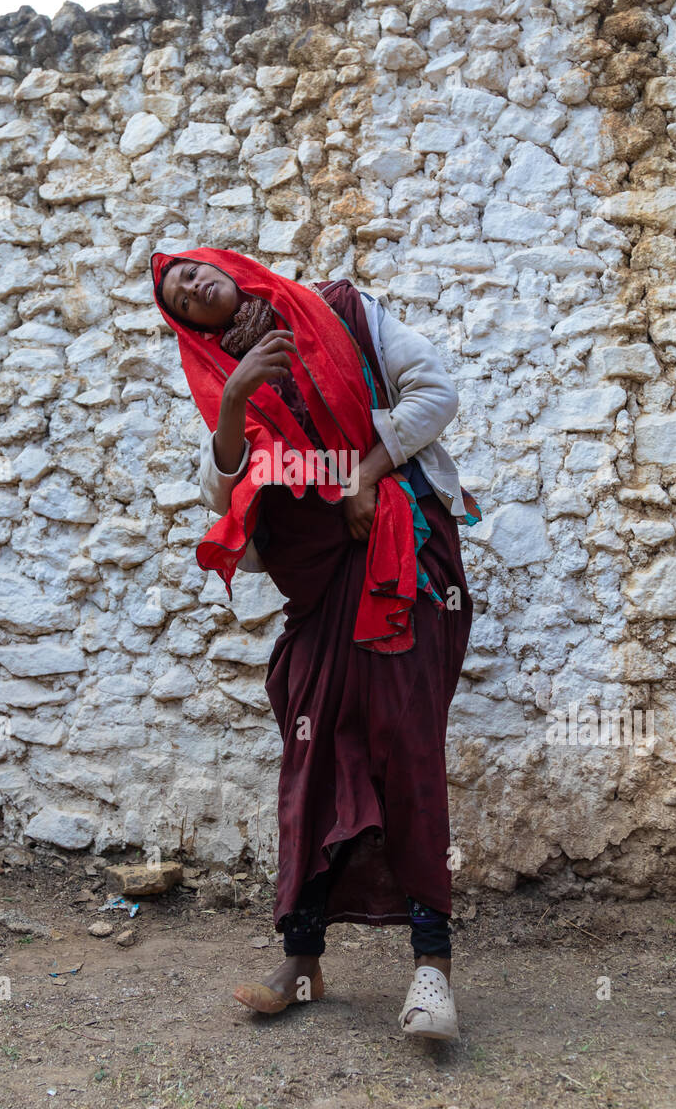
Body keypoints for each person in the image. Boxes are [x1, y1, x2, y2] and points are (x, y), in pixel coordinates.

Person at [151, 246, 479, 1039]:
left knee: (405, 745)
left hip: (402, 562)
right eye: (180, 299)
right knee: (311, 752)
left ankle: (430, 969)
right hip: (316, 588)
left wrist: (364, 473)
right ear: (188, 328)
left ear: (225, 264)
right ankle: (302, 957)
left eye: (193, 271)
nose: (192, 288)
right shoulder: (219, 377)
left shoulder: (339, 310)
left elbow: (434, 394)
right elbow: (222, 489)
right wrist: (234, 397)